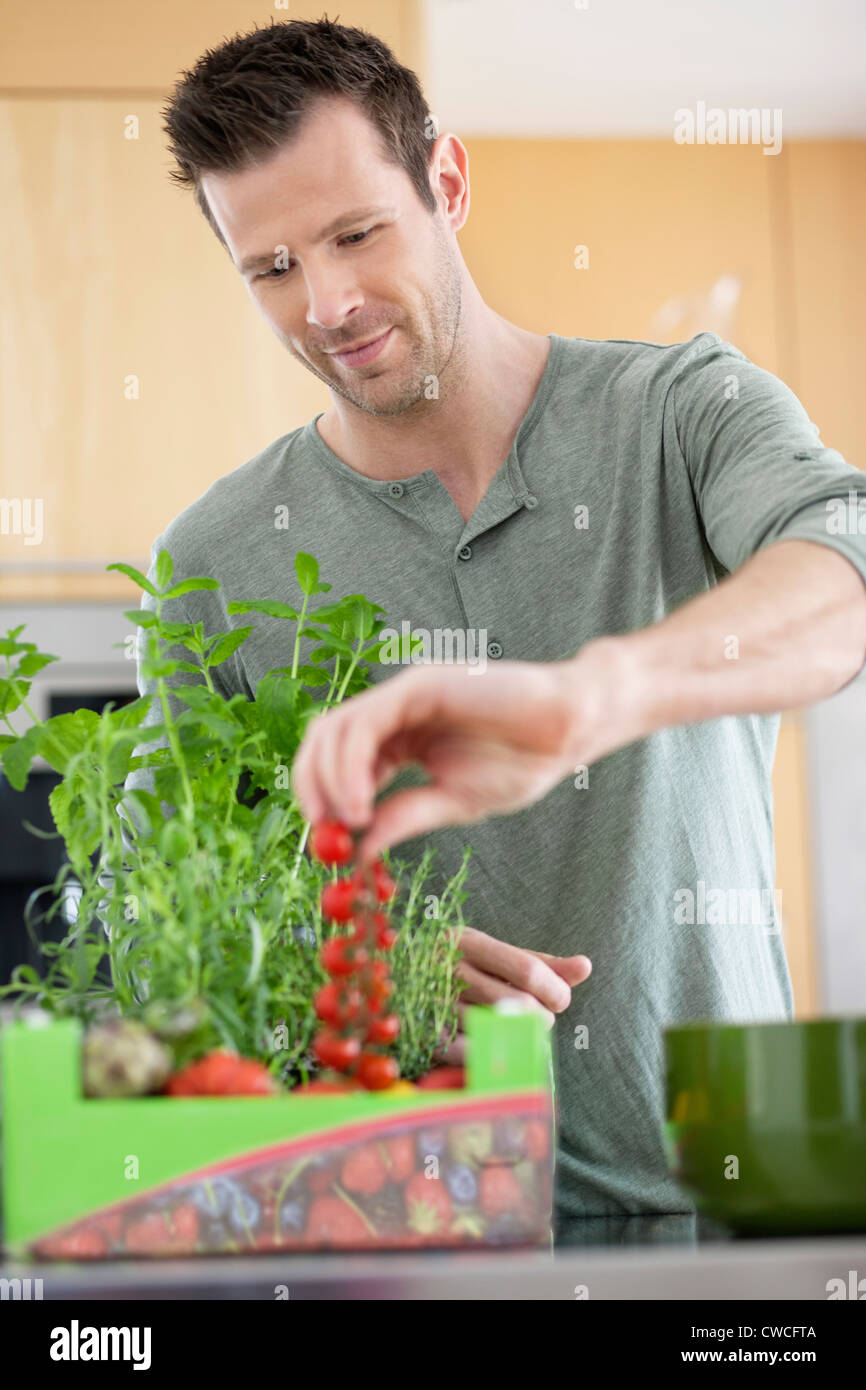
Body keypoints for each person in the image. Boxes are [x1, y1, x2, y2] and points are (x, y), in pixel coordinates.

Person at [130, 17, 866, 1246]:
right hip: (396, 1219)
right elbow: (161, 944)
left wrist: (596, 695)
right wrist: (339, 969)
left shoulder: (680, 412)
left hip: (733, 1195)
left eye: (357, 233)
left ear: (447, 184)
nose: (329, 303)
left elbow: (842, 570)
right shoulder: (208, 561)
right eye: (270, 270)